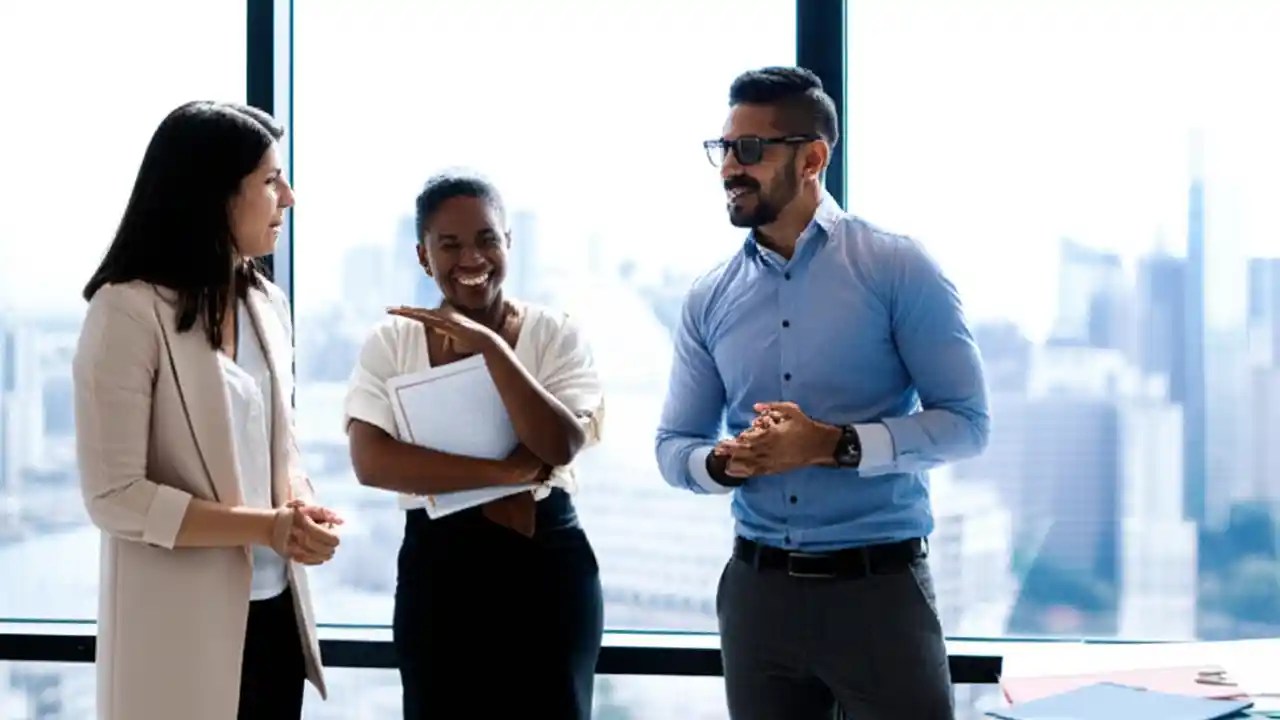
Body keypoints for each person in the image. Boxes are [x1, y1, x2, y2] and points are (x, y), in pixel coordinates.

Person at [655, 66, 990, 720]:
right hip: (757, 598)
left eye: (749, 150)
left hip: (880, 595)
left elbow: (967, 424)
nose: (729, 168)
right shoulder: (708, 297)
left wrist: (831, 445)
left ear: (812, 158)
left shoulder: (897, 268)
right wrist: (723, 463)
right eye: (722, 150)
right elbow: (674, 446)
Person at [73, 100, 343, 720]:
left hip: (274, 618)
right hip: (176, 631)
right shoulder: (126, 312)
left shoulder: (267, 303)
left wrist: (297, 505)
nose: (290, 197)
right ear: (214, 195)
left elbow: (281, 446)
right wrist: (265, 526)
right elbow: (113, 496)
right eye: (272, 181)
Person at [343, 170, 606, 719]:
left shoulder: (553, 333)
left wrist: (490, 346)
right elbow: (372, 461)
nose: (472, 257)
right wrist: (508, 472)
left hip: (546, 562)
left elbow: (557, 444)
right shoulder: (391, 342)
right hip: (440, 569)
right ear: (423, 255)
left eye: (487, 239)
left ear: (509, 242)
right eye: (451, 244)